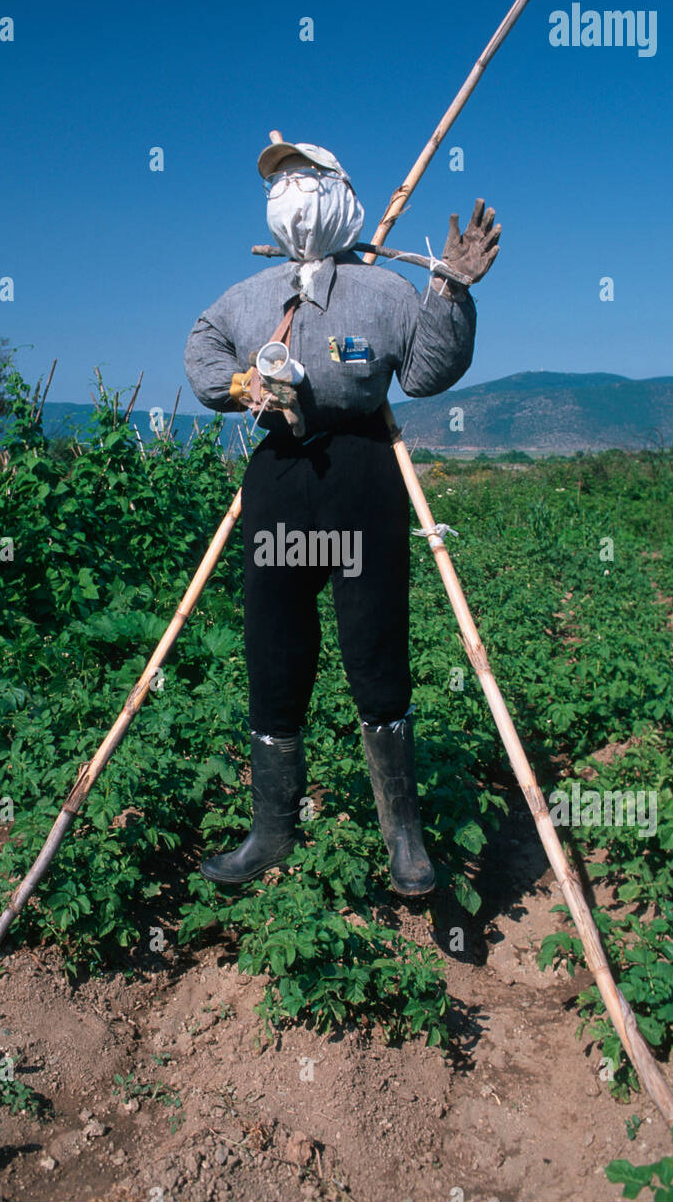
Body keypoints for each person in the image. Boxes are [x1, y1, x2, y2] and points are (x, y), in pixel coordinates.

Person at [184, 137, 500, 895]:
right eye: (278, 182)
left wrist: (450, 293)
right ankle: (269, 832)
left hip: (361, 477)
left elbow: (425, 374)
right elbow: (200, 350)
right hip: (281, 478)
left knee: (374, 642)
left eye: (304, 179)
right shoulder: (248, 296)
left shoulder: (386, 292)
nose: (291, 193)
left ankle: (404, 838)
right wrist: (236, 386)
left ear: (339, 194)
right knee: (276, 644)